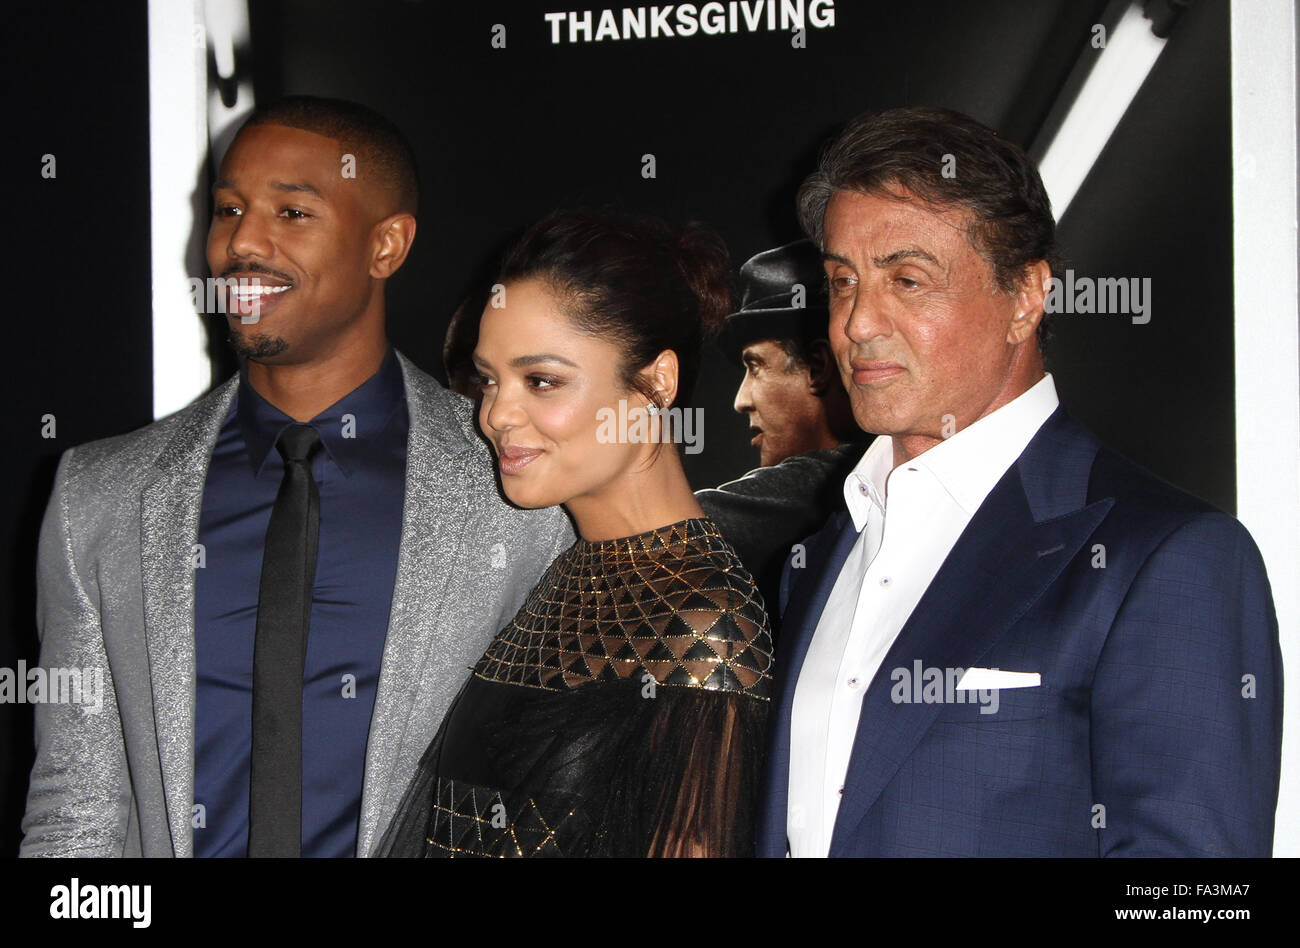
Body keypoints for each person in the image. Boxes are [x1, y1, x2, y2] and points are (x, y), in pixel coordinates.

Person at [19, 96, 573, 857]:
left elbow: (557, 796)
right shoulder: (99, 496)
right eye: (227, 209)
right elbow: (72, 814)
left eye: (292, 214)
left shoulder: (518, 491)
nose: (241, 242)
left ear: (386, 245)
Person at [759, 106, 1283, 857]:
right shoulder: (817, 560)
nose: (858, 322)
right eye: (842, 282)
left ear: (1027, 296)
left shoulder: (1167, 557)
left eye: (907, 279)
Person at [375, 209, 774, 857]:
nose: (497, 414)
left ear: (655, 383)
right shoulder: (564, 574)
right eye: (490, 381)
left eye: (542, 381)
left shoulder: (705, 623)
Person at [696, 239, 866, 627]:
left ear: (818, 366)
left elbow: (649, 542)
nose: (740, 400)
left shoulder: (833, 484)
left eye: (755, 366)